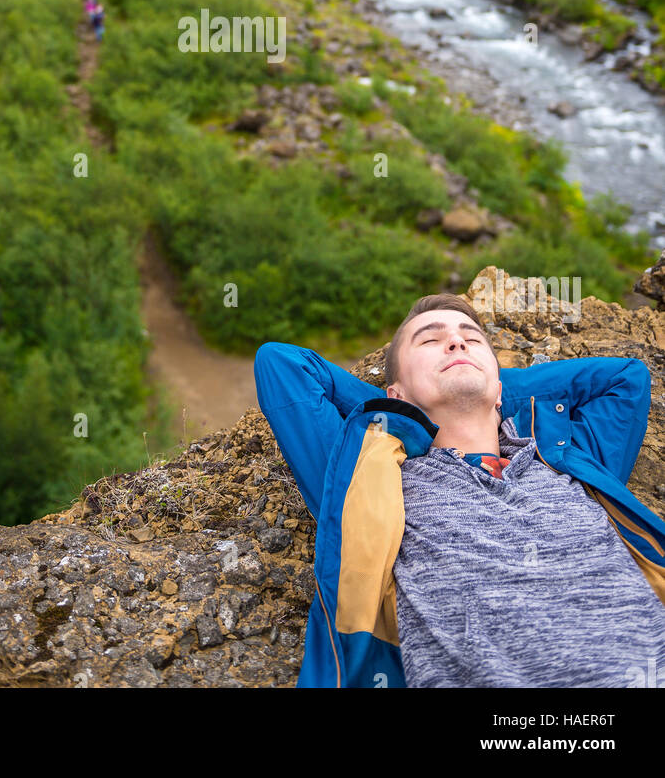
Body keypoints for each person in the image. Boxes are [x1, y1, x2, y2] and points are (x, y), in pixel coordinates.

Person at [254, 292, 665, 688]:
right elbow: (283, 364)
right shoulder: (371, 477)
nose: (455, 341)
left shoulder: (567, 459)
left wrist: (488, 386)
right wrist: (402, 409)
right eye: (431, 340)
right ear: (395, 393)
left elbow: (626, 378)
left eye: (471, 339)